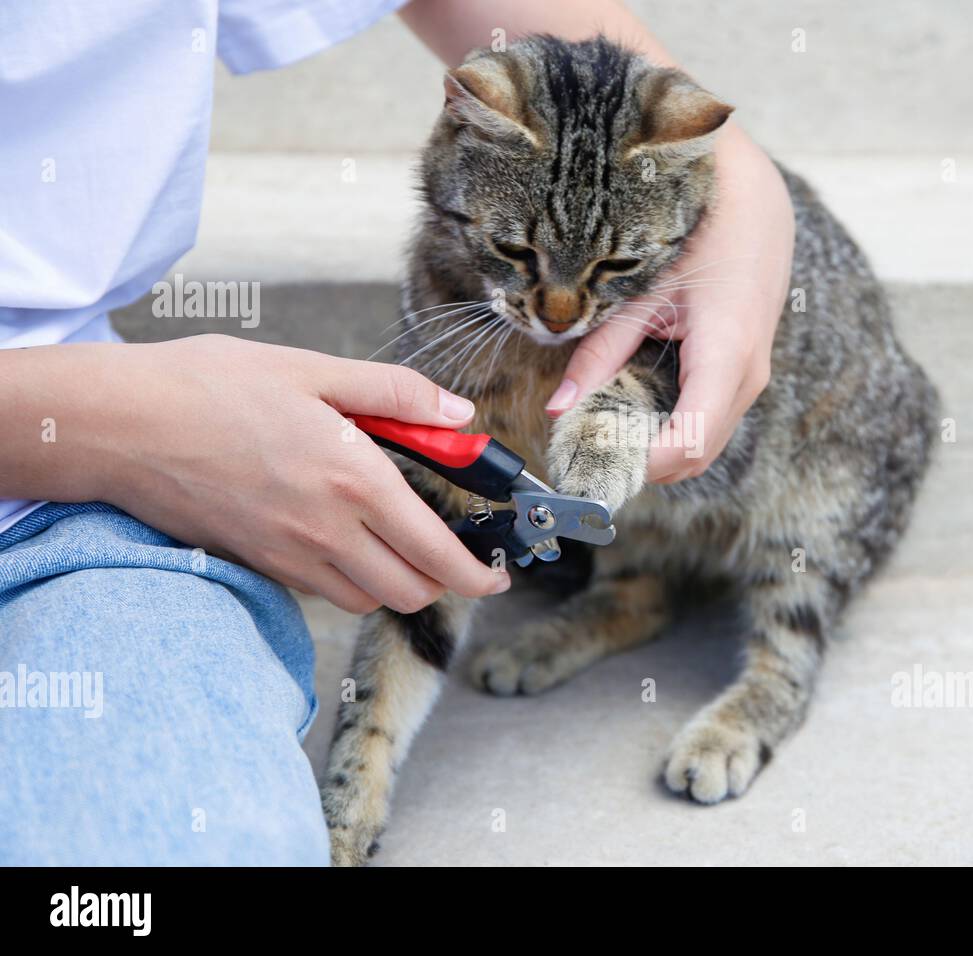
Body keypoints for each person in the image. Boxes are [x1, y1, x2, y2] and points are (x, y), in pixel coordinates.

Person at [0, 0, 793, 864]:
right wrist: (139, 428)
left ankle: (710, 639)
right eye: (517, 253)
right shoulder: (461, 271)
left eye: (609, 269)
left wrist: (751, 201)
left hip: (59, 514)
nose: (558, 310)